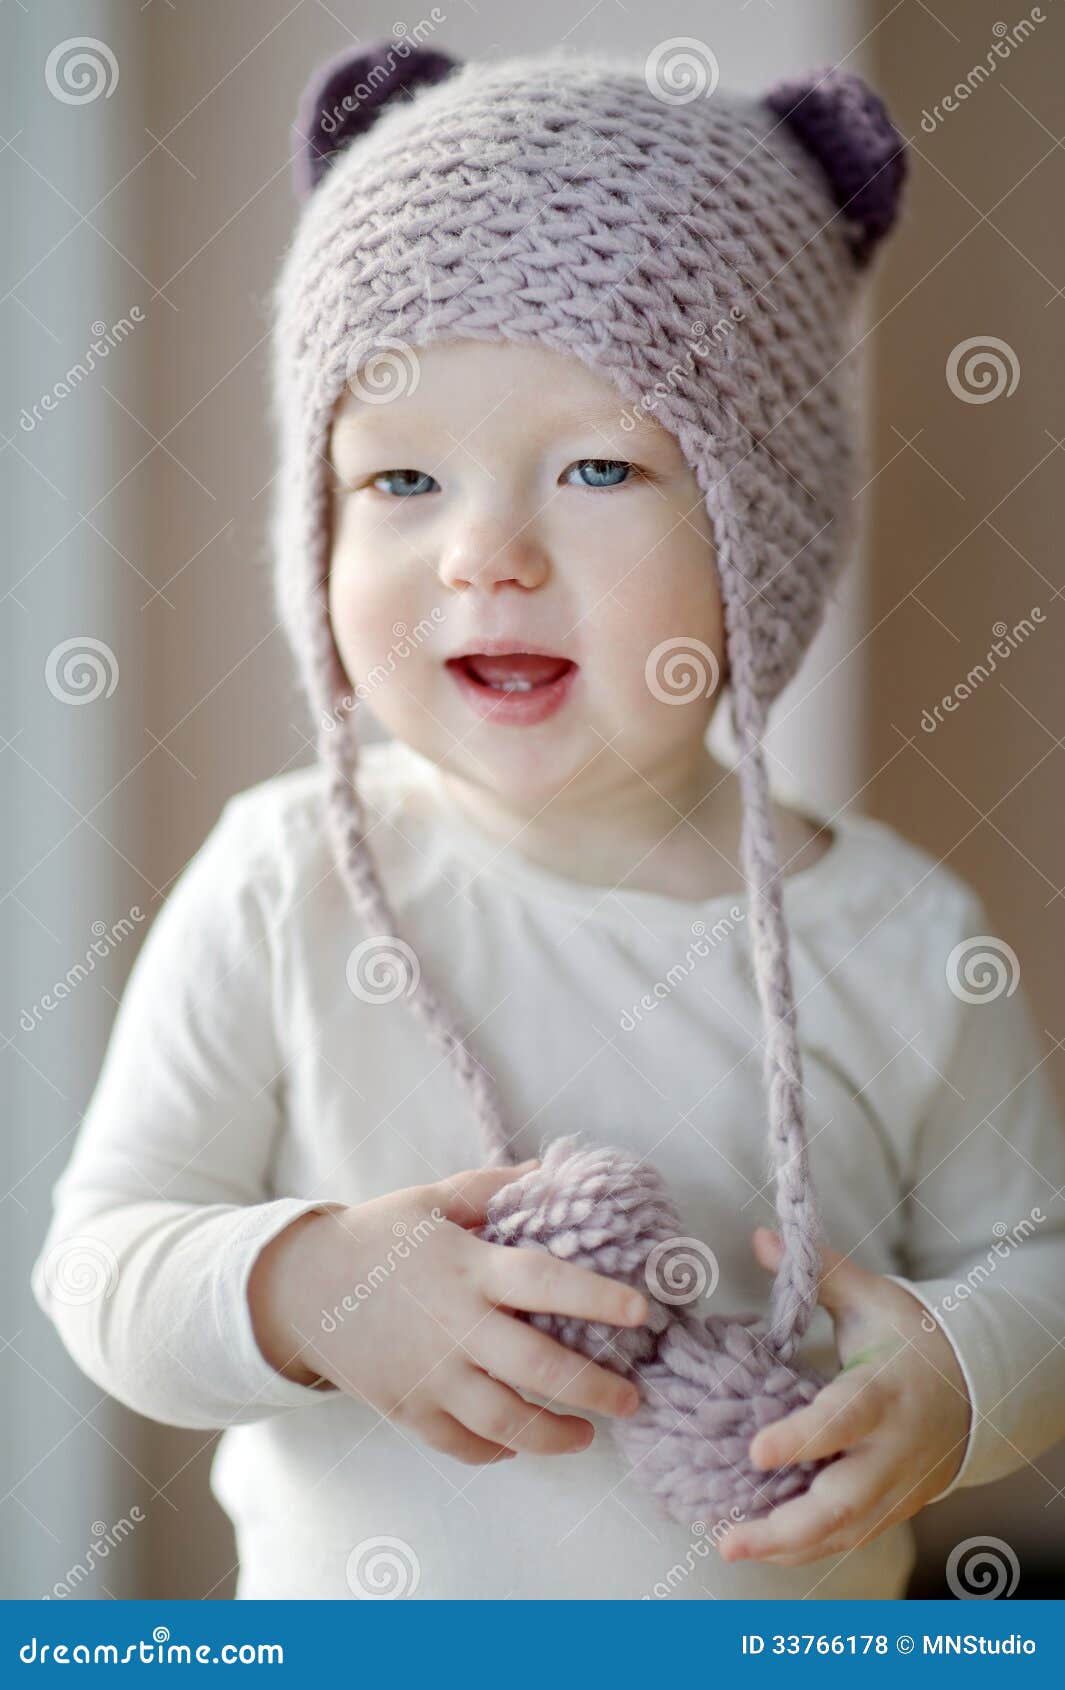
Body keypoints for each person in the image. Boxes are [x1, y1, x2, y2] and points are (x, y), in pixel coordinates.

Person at [32, 39, 1065, 1600]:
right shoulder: (283, 881)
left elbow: (1038, 1268)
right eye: (397, 480)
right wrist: (305, 1288)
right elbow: (99, 1255)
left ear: (755, 536)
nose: (484, 553)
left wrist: (955, 1380)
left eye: (596, 466)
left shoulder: (904, 943)